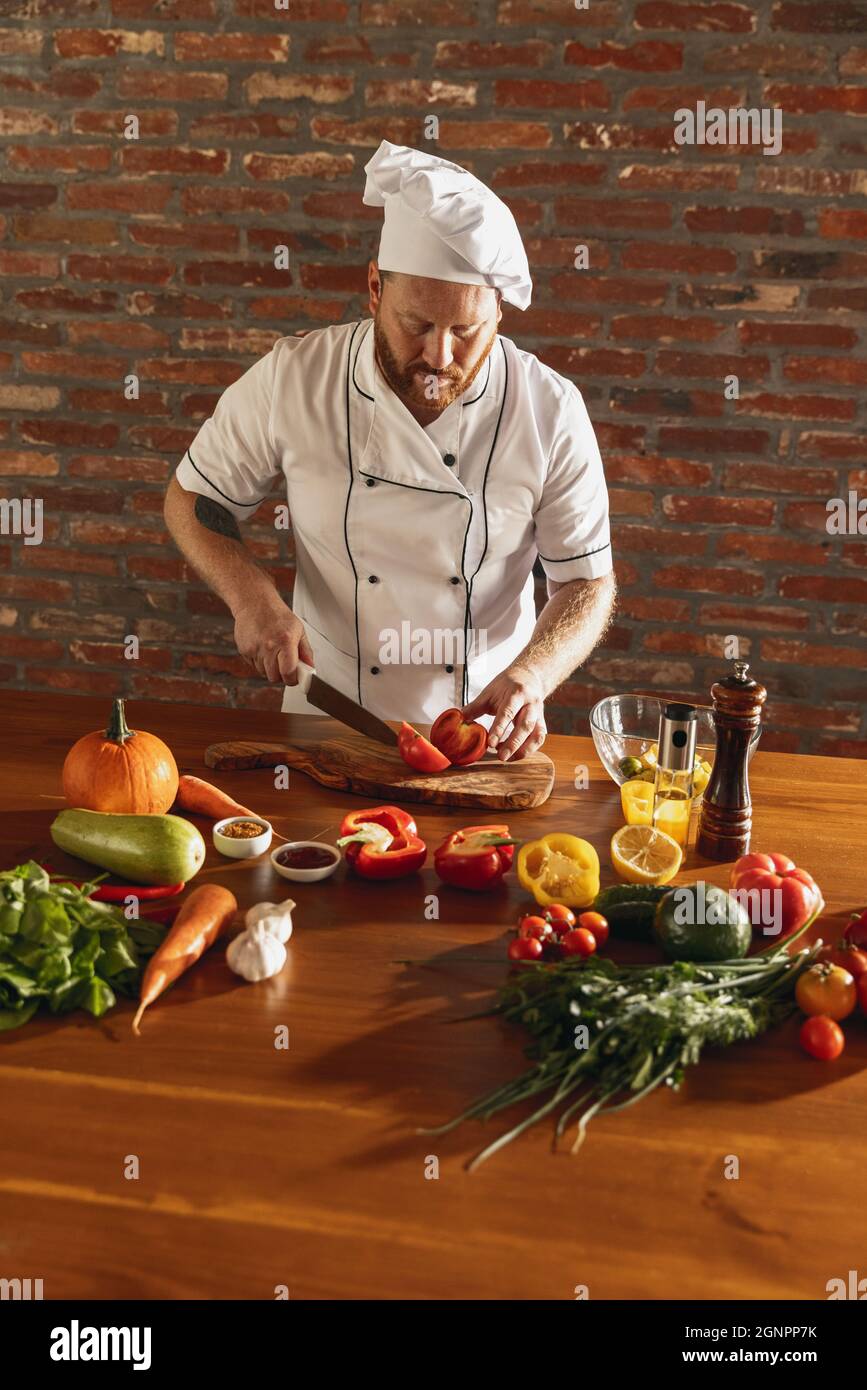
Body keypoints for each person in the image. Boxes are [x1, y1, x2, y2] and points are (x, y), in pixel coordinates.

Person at [164, 140, 615, 762]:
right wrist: (252, 599)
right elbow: (194, 497)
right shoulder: (295, 377)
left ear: (499, 315)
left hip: (482, 734)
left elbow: (586, 582)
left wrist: (534, 676)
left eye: (465, 332)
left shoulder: (549, 410)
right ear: (375, 288)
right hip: (329, 720)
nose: (438, 356)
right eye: (417, 324)